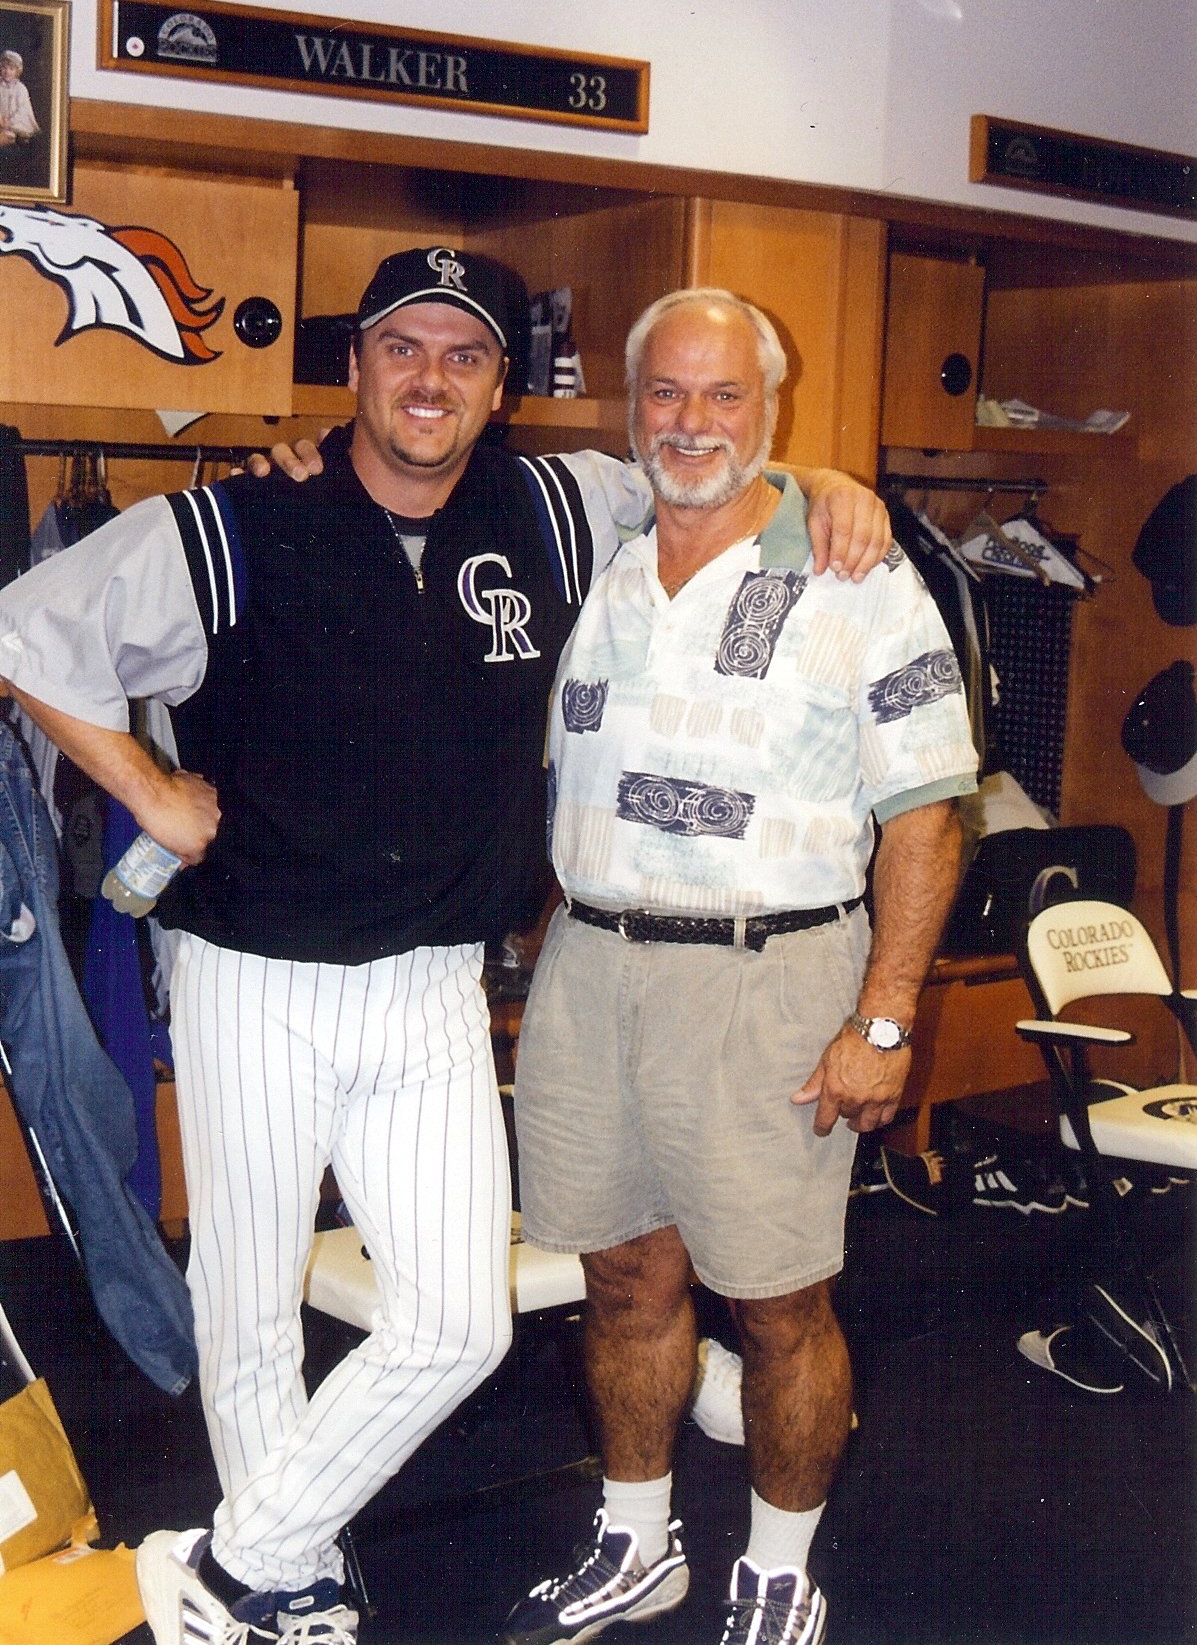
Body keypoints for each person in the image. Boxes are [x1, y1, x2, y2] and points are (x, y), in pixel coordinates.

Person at [0, 246, 889, 1645]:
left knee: (456, 1323)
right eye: (399, 348)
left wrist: (829, 486)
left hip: (430, 980)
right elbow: (25, 627)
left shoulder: (557, 504)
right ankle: (283, 1588)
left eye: (462, 355)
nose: (428, 378)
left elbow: (708, 463)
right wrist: (147, 787)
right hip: (253, 972)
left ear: (500, 387)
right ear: (351, 367)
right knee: (246, 1311)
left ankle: (223, 1564)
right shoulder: (227, 525)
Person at [500, 289, 979, 1645]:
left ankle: (777, 1570)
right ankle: (637, 1541)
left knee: (777, 1305)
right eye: (666, 393)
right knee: (623, 1282)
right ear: (630, 404)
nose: (690, 423)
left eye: (723, 397)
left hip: (769, 974)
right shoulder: (593, 547)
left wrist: (883, 1019)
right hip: (592, 968)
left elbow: (926, 809)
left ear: (768, 410)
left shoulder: (855, 573)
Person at [0, 50, 39, 145]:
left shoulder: (20, 89)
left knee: (11, 135)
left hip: (15, 125)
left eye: (11, 69)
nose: (7, 72)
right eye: (4, 68)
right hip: (1, 123)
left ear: (17, 71)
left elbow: (22, 110)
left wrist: (10, 122)